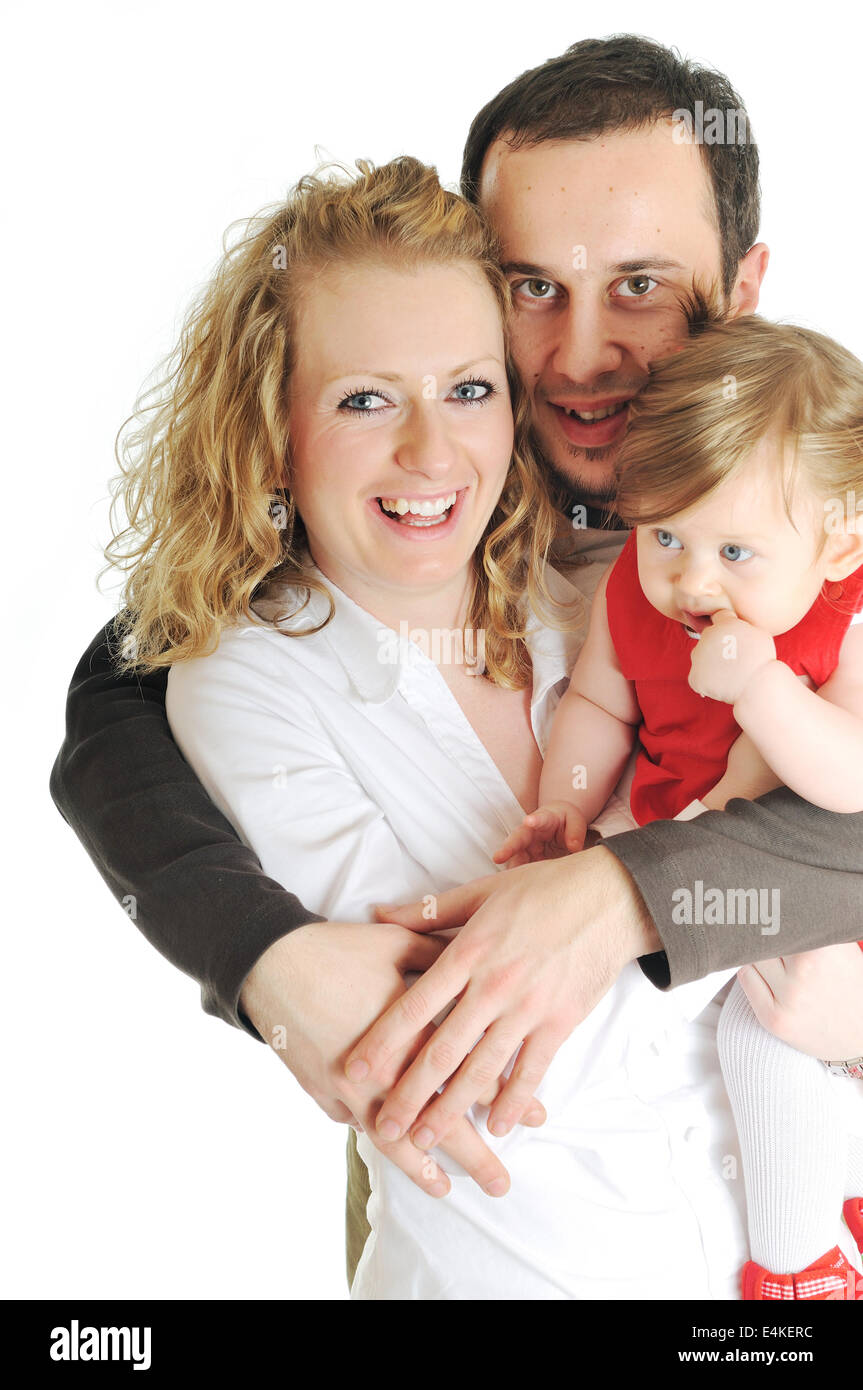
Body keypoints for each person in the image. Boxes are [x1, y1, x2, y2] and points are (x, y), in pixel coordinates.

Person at [49, 35, 863, 1288]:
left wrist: (626, 895)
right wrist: (255, 951)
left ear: (742, 286)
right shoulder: (472, 517)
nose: (583, 354)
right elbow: (135, 678)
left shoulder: (817, 512)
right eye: (533, 287)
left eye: (640, 284)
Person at [153, 154, 759, 1297]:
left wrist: (614, 913)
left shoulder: (606, 579)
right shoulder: (249, 680)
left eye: (469, 390)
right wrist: (723, 902)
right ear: (270, 430)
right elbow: (491, 1073)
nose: (433, 455)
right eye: (365, 398)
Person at [495, 315, 863, 1300]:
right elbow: (597, 704)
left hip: (816, 888)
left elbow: (852, 776)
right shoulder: (633, 594)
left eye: (735, 551)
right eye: (664, 534)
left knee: (770, 1037)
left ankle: (800, 1267)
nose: (691, 580)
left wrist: (766, 693)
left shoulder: (846, 617)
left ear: (837, 544)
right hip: (688, 850)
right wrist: (561, 807)